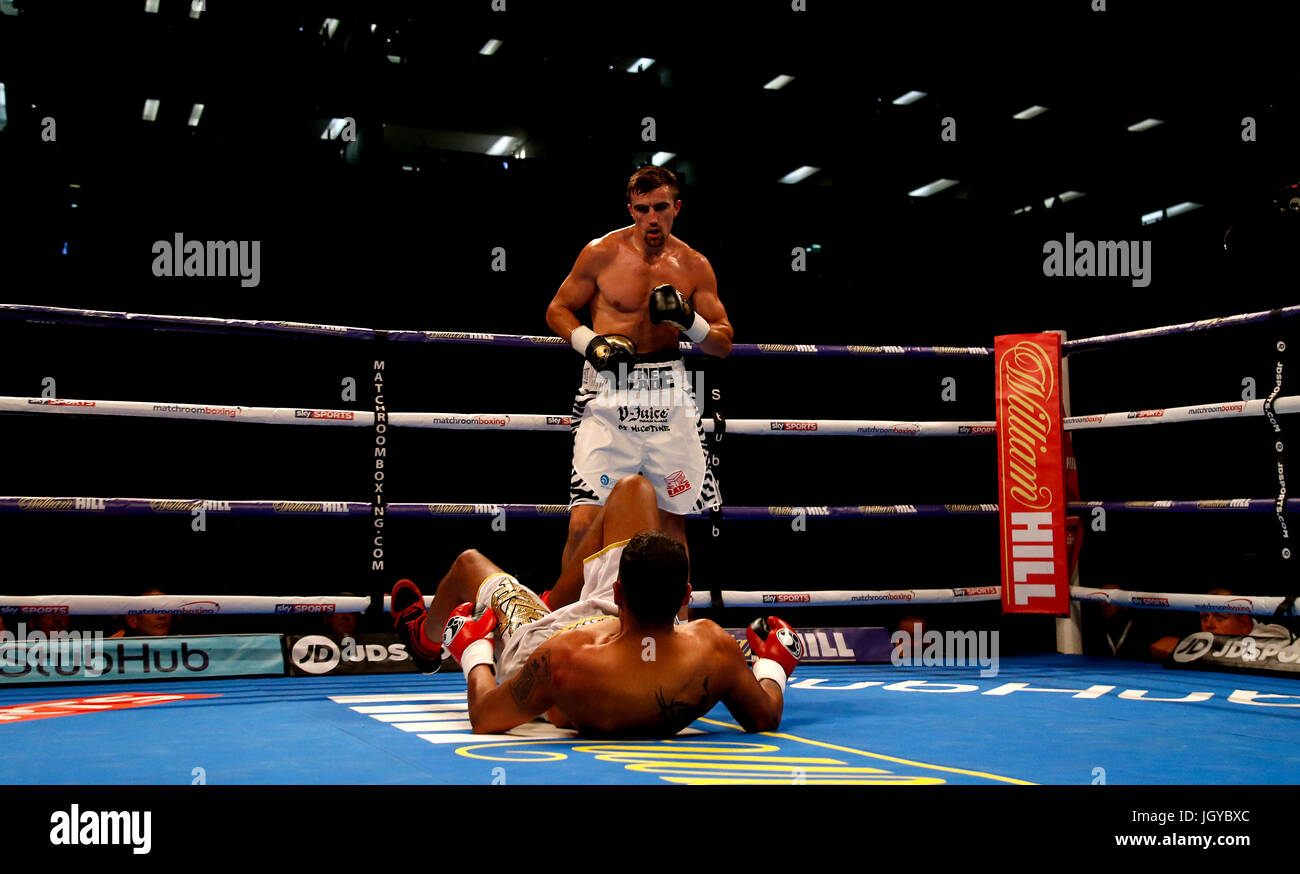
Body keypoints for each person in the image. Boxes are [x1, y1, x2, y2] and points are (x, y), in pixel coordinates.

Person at [391, 475, 799, 736]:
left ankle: (425, 643)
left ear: (619, 592)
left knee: (468, 564)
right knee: (633, 489)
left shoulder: (562, 659)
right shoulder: (713, 648)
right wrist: (774, 665)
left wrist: (473, 651)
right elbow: (764, 716)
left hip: (553, 642)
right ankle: (553, 601)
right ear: (685, 596)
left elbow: (484, 716)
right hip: (610, 626)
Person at [544, 166, 733, 590]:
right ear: (630, 209)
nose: (652, 218)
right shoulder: (600, 253)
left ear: (676, 208)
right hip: (608, 390)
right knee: (583, 524)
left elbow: (723, 343)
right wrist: (591, 343)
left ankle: (676, 639)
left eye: (661, 208)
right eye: (643, 209)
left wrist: (690, 321)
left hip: (669, 391)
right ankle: (566, 636)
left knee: (671, 528)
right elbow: (557, 309)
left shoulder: (694, 265)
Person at [109, 588, 174, 638]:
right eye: (152, 610)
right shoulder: (108, 646)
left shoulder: (182, 642)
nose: (162, 615)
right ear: (132, 620)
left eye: (166, 609)